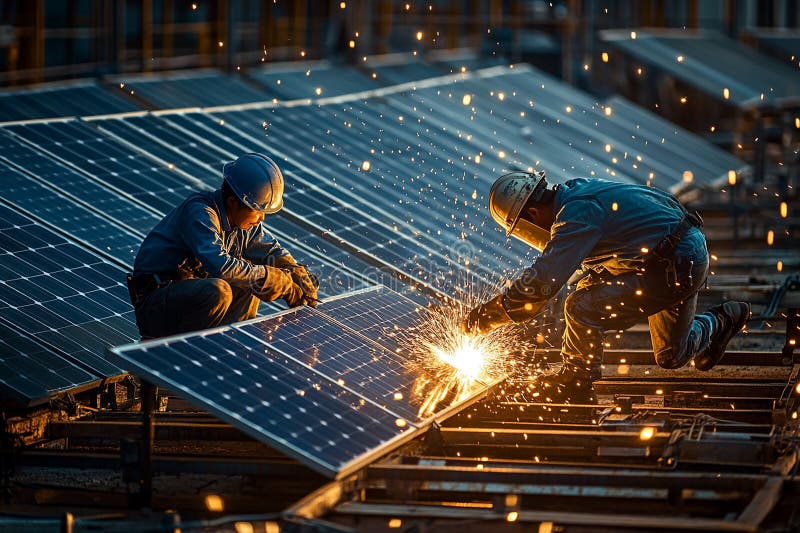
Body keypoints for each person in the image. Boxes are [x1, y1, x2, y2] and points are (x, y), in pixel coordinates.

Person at [461, 171, 750, 404]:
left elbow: (538, 288)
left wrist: (481, 320)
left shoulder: (576, 215)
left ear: (533, 214)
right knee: (672, 356)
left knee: (580, 306)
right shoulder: (577, 192)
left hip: (673, 263)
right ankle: (722, 320)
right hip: (680, 253)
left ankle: (577, 379)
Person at [127, 153, 319, 339]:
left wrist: (294, 270)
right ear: (233, 202)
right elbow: (221, 266)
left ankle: (229, 348)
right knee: (220, 289)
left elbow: (272, 251)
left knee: (249, 282)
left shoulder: (244, 225)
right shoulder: (200, 212)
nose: (262, 218)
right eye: (257, 211)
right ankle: (187, 354)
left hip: (190, 305)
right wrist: (271, 278)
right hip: (158, 305)